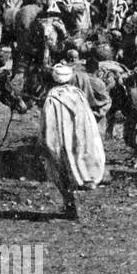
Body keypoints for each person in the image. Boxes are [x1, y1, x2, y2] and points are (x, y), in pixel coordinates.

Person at [39, 62, 105, 218]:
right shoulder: (79, 94)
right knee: (79, 169)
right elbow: (88, 120)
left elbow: (47, 123)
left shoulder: (51, 98)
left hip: (61, 141)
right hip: (79, 140)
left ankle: (70, 205)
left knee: (60, 172)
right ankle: (78, 202)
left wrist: (44, 141)